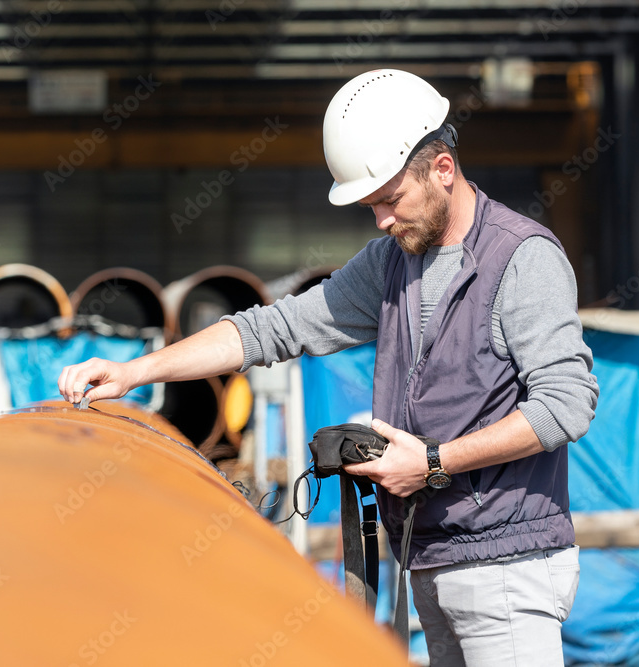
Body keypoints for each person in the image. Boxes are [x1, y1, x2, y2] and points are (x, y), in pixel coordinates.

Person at [58, 69, 599, 666]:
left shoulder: (522, 259)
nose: (382, 221)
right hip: (428, 555)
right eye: (371, 207)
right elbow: (275, 327)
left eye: (390, 201)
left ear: (442, 168)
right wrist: (136, 372)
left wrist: (432, 463)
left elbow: (565, 404)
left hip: (507, 565)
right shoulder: (391, 263)